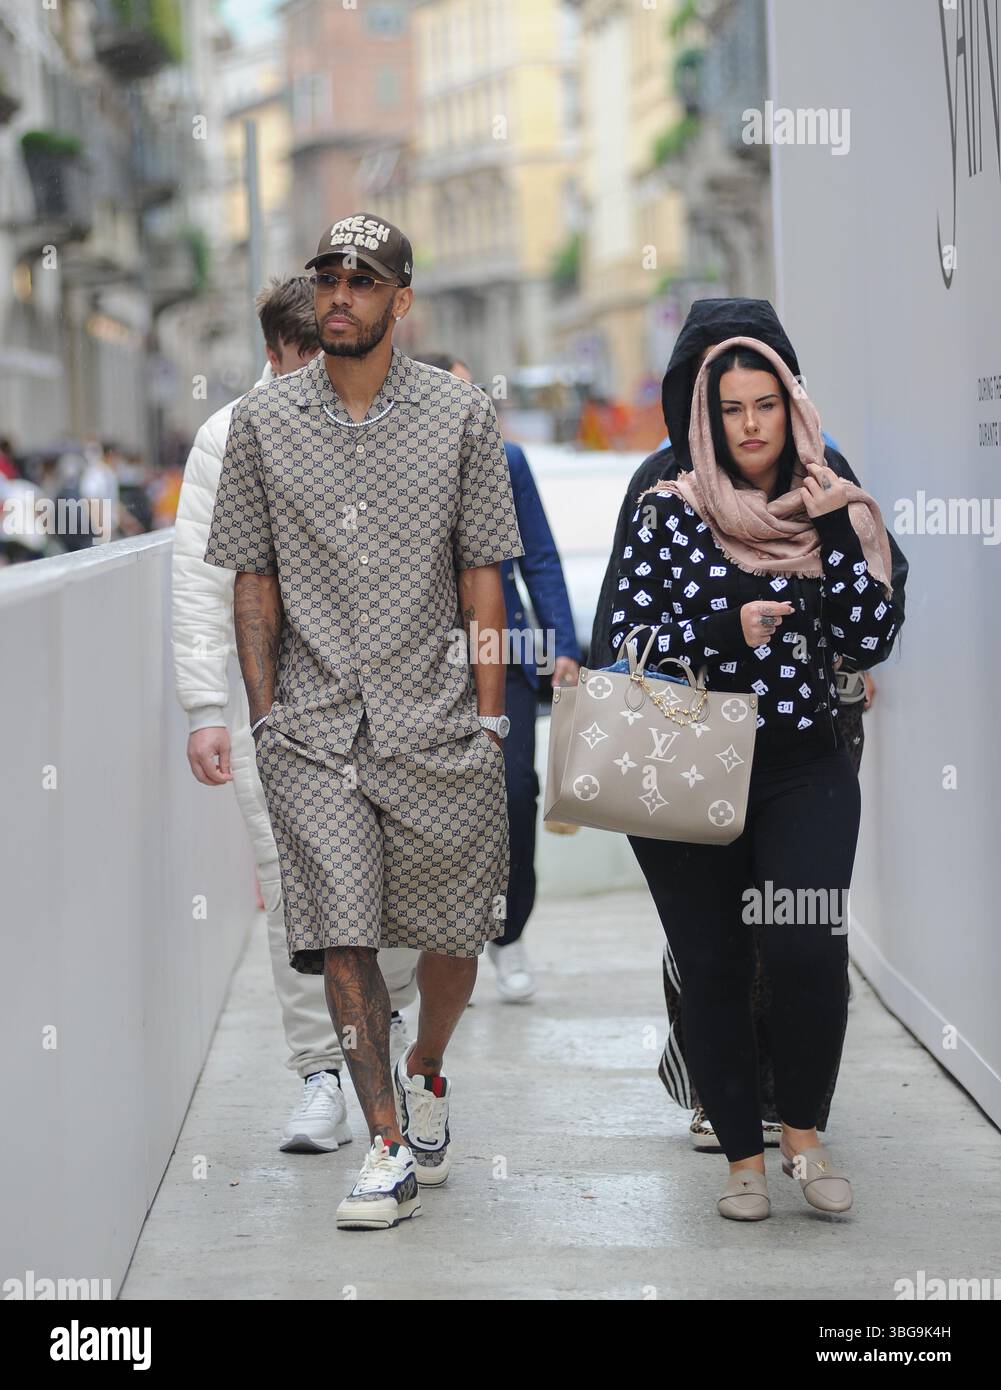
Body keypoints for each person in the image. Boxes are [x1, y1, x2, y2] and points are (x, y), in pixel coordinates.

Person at [204, 213, 524, 1231]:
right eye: (329, 276)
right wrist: (265, 720)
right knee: (341, 936)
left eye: (363, 278)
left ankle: (426, 1065)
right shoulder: (260, 426)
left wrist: (488, 721)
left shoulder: (460, 418)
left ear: (400, 299)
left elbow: (484, 577)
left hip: (436, 726)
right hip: (312, 732)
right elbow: (250, 585)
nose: (340, 292)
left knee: (451, 936)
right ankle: (383, 1138)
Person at [591, 297, 909, 1151]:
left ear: (788, 392)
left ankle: (793, 1110)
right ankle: (719, 1102)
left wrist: (842, 658)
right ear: (699, 398)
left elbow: (875, 612)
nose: (748, 422)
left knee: (797, 938)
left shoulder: (824, 477)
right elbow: (619, 640)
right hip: (688, 748)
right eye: (727, 402)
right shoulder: (662, 487)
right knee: (711, 952)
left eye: (765, 399)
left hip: (810, 738)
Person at [172, 275, 419, 1157]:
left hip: (391, 711)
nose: (326, 368)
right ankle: (319, 1074)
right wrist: (208, 706)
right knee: (294, 896)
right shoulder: (228, 437)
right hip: (271, 718)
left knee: (395, 897)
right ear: (275, 354)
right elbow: (200, 583)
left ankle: (392, 1072)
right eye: (307, 353)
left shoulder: (395, 420)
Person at [416, 352, 580, 1001]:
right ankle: (435, 946)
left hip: (503, 658)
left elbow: (537, 554)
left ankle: (508, 935)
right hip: (420, 667)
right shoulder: (394, 467)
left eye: (473, 399)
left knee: (513, 796)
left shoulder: (507, 463)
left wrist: (561, 640)